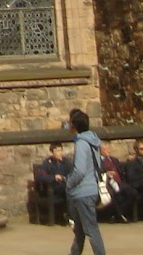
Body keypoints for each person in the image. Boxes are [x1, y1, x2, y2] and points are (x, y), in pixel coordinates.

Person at [63, 108, 106, 255]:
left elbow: (79, 170)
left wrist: (69, 183)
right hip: (89, 190)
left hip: (83, 192)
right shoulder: (93, 141)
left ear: (74, 127)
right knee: (80, 231)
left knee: (91, 230)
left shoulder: (81, 143)